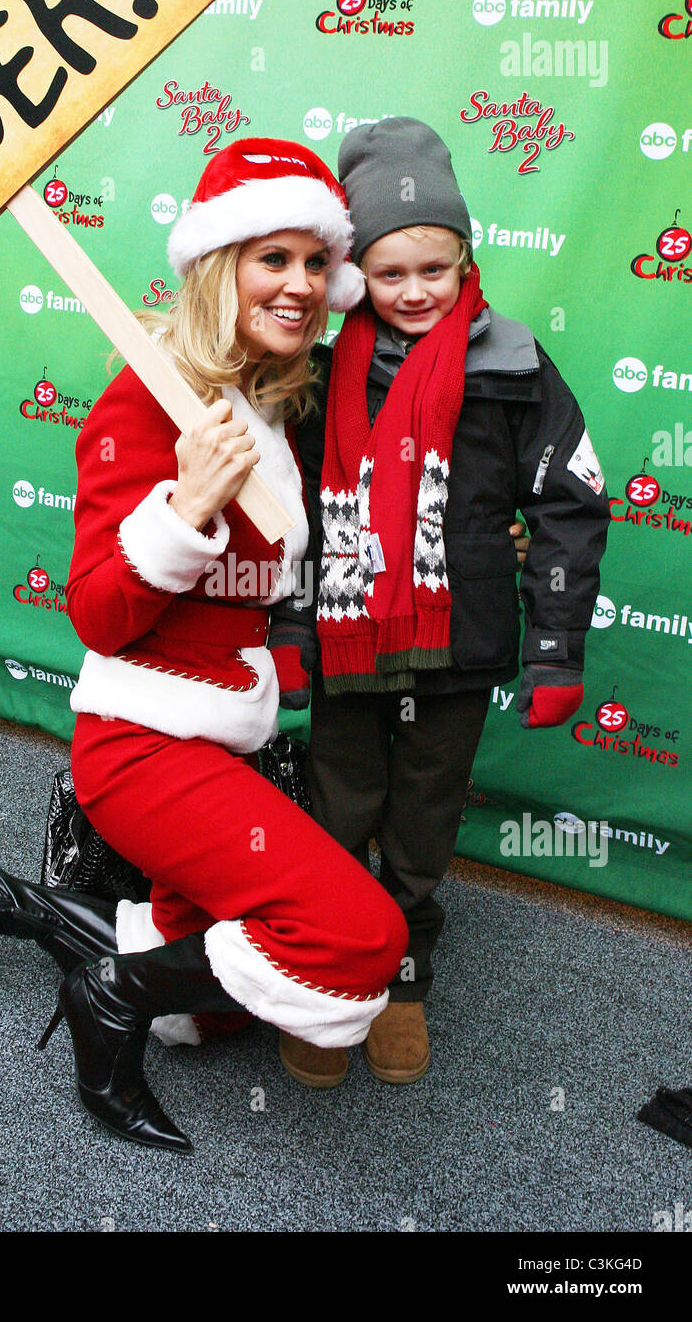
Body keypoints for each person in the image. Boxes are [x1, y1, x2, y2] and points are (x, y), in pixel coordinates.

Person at [0, 138, 408, 1155]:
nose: (301, 284)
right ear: (219, 265)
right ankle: (109, 995)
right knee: (359, 936)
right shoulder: (147, 401)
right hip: (140, 746)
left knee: (217, 1007)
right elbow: (95, 612)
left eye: (316, 262)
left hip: (219, 734)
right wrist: (184, 508)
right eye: (272, 258)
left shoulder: (266, 399)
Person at [276, 117, 610, 1089]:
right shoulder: (325, 371)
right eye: (390, 274)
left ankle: (404, 979)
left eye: (435, 267)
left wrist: (555, 652)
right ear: (356, 277)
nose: (416, 291)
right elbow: (292, 513)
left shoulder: (513, 367)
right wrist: (292, 628)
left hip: (457, 653)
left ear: (464, 257)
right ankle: (327, 980)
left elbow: (568, 505)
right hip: (346, 648)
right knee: (337, 816)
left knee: (421, 821)